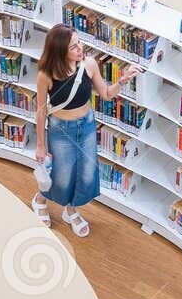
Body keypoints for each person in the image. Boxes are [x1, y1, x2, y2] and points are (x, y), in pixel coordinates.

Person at [33, 22, 141, 236]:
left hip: (87, 126)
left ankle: (71, 209)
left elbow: (107, 94)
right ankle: (40, 199)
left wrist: (123, 80)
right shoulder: (45, 74)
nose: (80, 48)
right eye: (73, 47)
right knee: (62, 176)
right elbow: (41, 112)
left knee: (85, 174)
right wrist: (40, 146)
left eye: (79, 42)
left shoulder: (89, 64)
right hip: (61, 130)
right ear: (59, 50)